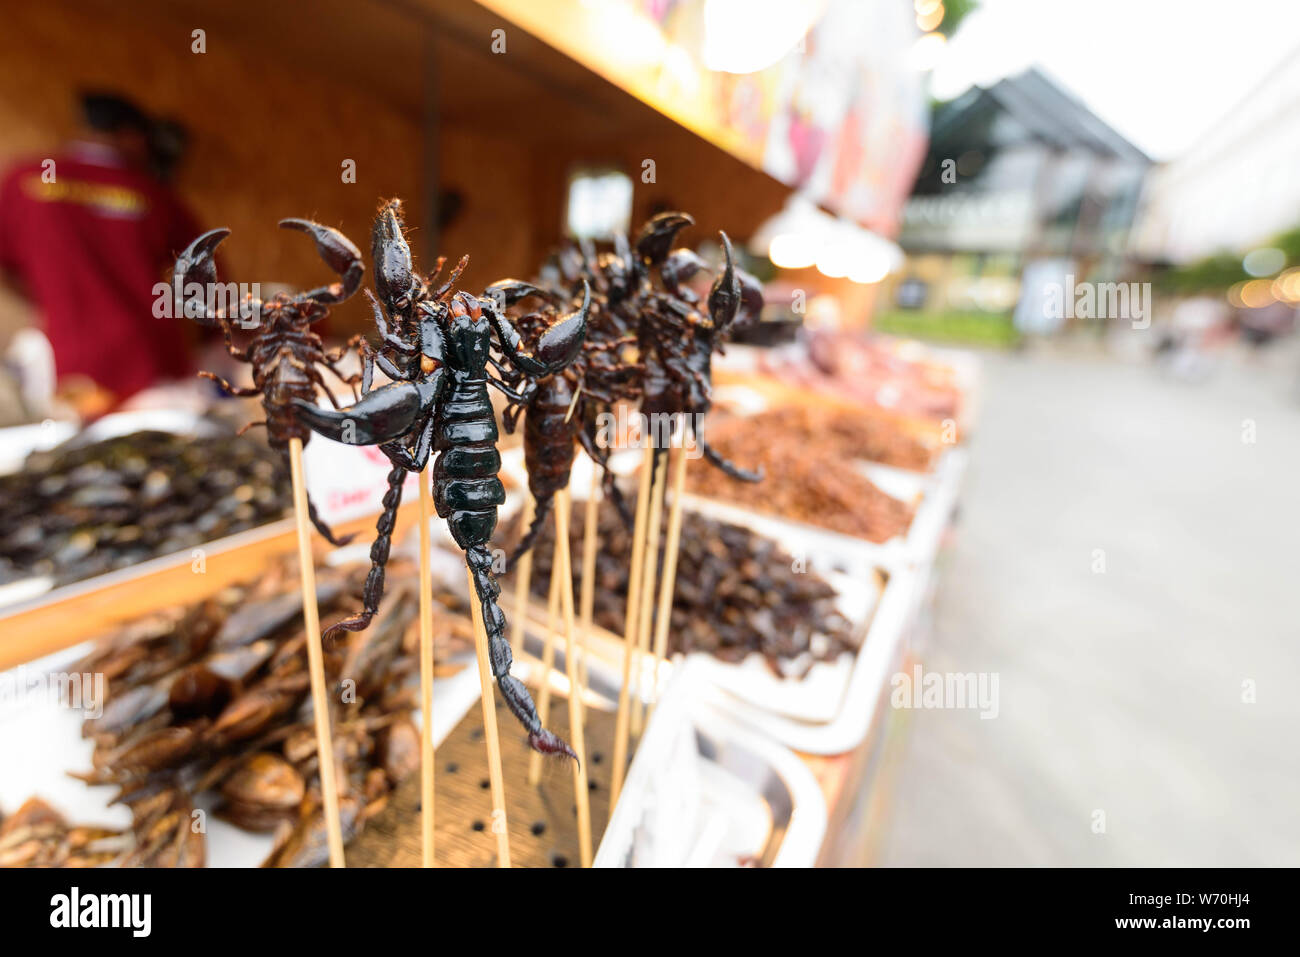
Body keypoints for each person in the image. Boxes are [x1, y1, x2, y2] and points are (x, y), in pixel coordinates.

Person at [0, 92, 202, 407]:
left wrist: (55, 296)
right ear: (131, 136)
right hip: (149, 362)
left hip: (63, 362)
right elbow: (202, 280)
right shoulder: (153, 194)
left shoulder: (25, 179)